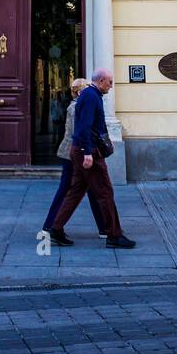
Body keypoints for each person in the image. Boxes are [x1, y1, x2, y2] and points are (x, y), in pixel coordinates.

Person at [48, 69, 136, 249]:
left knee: (75, 192)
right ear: (102, 80)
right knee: (105, 192)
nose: (111, 86)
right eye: (110, 82)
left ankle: (55, 229)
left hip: (83, 150)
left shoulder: (91, 95)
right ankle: (114, 235)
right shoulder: (91, 97)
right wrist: (86, 152)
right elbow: (83, 127)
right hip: (88, 152)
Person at [41, 78, 107, 237]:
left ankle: (105, 227)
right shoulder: (76, 107)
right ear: (79, 92)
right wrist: (87, 152)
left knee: (94, 190)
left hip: (77, 153)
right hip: (74, 154)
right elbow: (76, 133)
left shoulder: (79, 105)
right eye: (86, 88)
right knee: (66, 190)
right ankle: (50, 226)